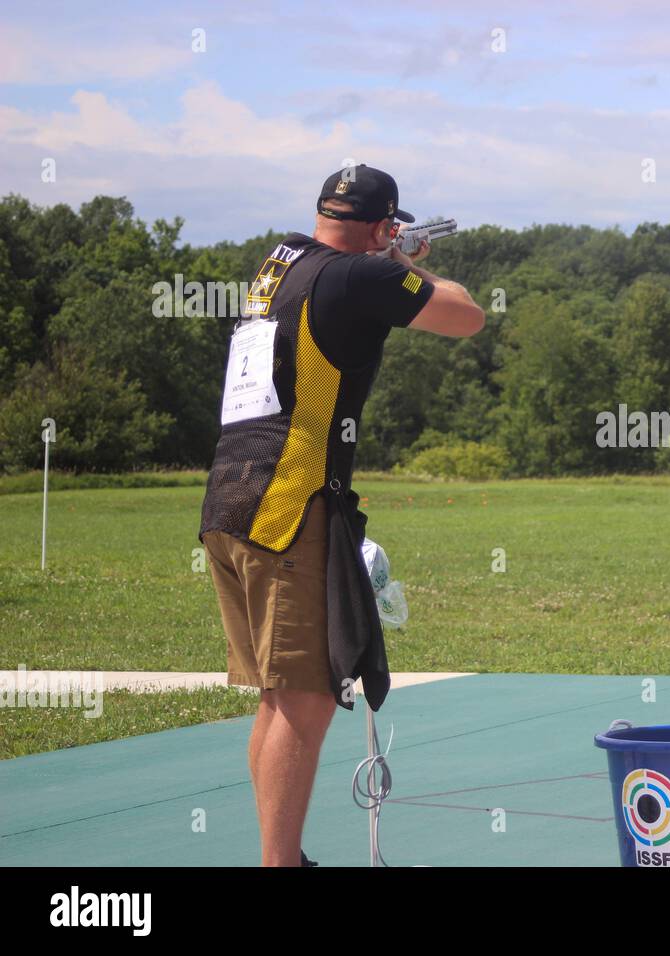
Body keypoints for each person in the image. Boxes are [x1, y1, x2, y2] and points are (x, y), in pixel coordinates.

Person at [198, 165, 484, 866]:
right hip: (290, 504)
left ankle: (281, 859)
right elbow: (466, 315)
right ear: (385, 226)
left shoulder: (279, 263)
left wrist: (384, 253)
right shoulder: (362, 275)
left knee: (278, 699)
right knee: (309, 696)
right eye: (391, 229)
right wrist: (395, 261)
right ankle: (281, 864)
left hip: (230, 501)